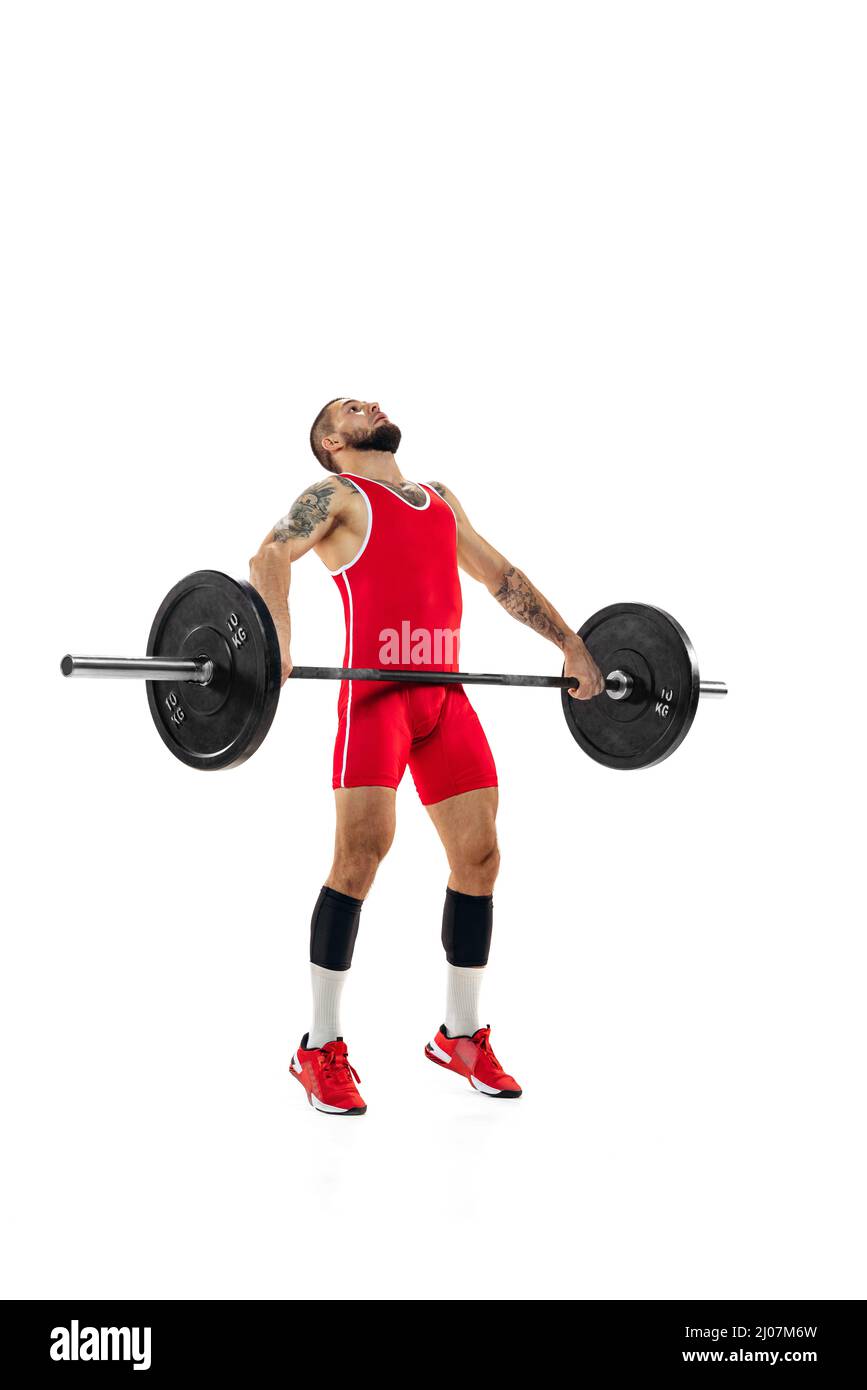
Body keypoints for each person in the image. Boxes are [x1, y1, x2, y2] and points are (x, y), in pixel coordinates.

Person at [249, 398, 605, 1115]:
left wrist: (570, 643)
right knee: (360, 856)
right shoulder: (337, 496)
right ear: (331, 440)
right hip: (376, 700)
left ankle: (460, 1036)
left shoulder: (438, 499)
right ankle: (319, 1045)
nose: (370, 405)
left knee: (480, 858)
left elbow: (500, 577)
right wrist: (277, 639)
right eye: (352, 407)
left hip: (444, 699)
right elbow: (269, 555)